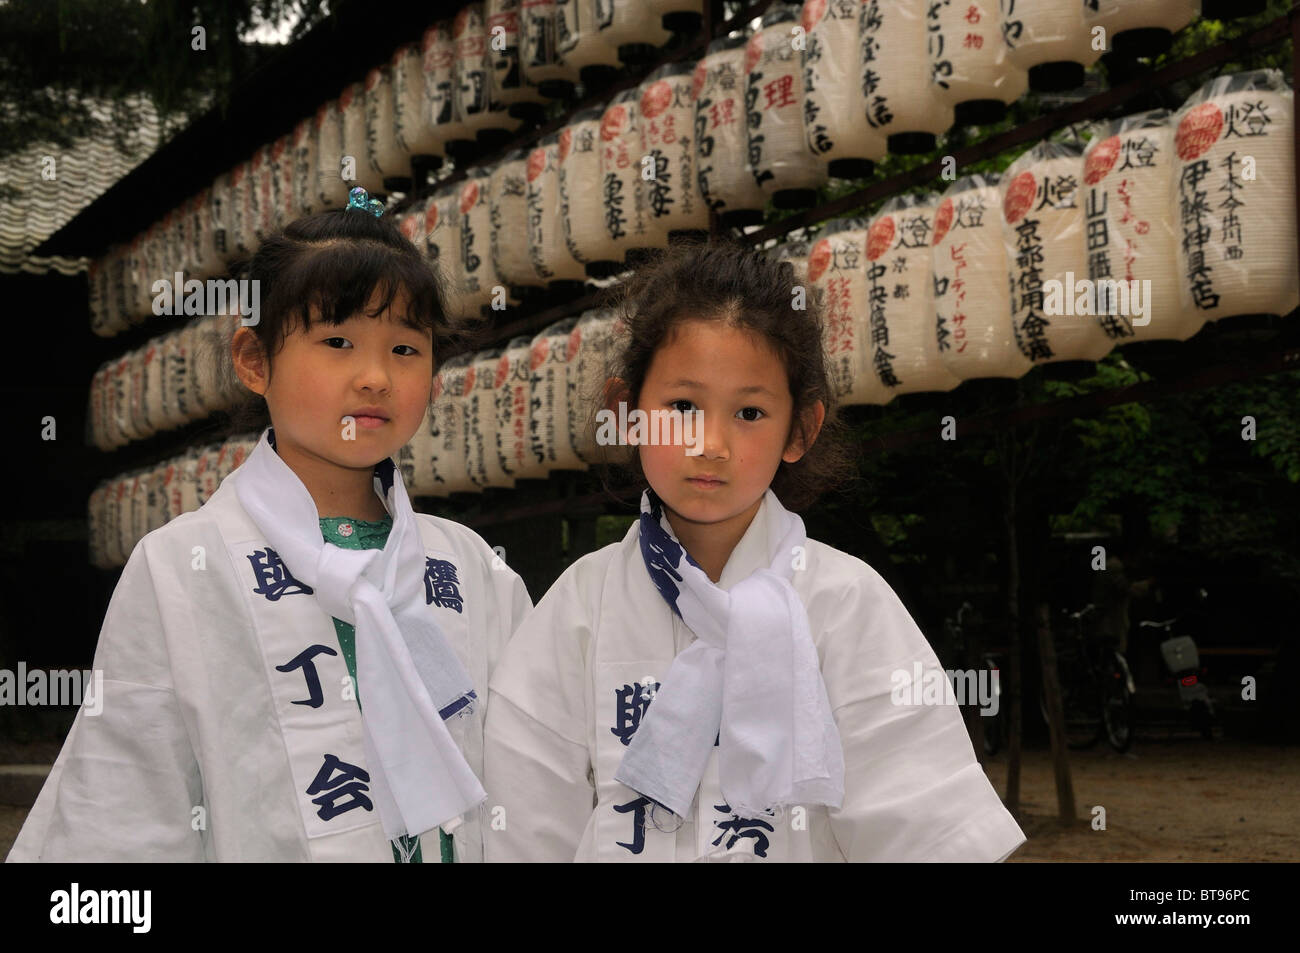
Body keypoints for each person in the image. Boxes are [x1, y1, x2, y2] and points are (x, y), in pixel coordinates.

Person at [8, 188, 531, 862]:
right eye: (337, 341)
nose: (375, 376)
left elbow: (537, 784)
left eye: (406, 347)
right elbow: (125, 811)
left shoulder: (470, 567)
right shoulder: (182, 564)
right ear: (254, 360)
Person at [482, 242, 1025, 862]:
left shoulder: (844, 602)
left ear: (800, 430)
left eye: (749, 411)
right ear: (628, 413)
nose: (711, 444)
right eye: (682, 406)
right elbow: (526, 823)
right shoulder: (581, 605)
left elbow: (923, 827)